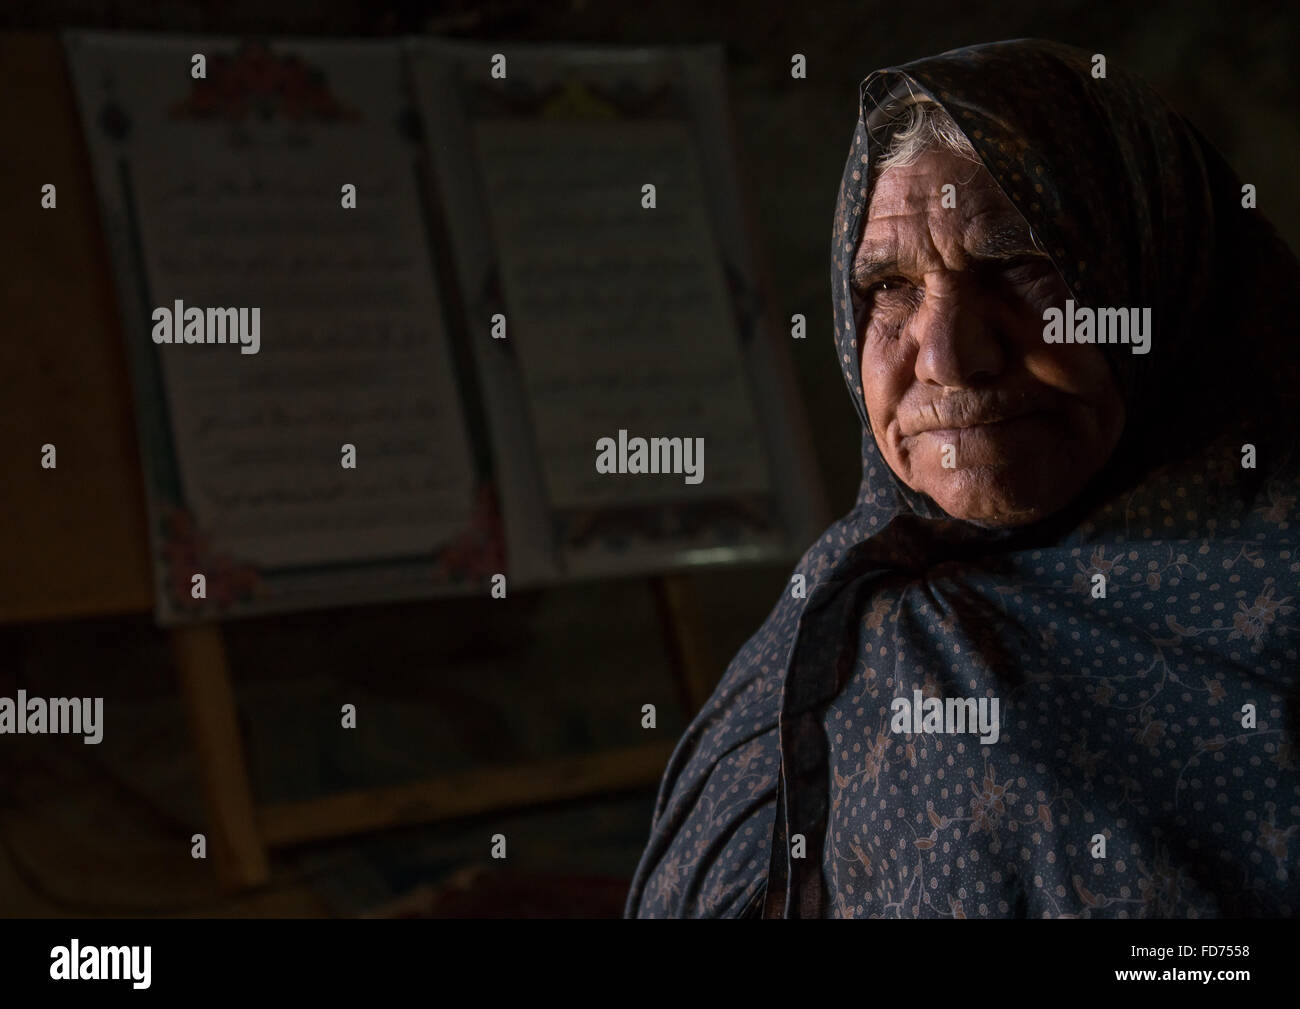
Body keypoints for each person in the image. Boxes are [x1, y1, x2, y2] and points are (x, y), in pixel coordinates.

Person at [626, 38, 1300, 918]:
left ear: (1156, 270)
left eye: (1020, 267)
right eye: (888, 287)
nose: (946, 356)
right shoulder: (836, 619)